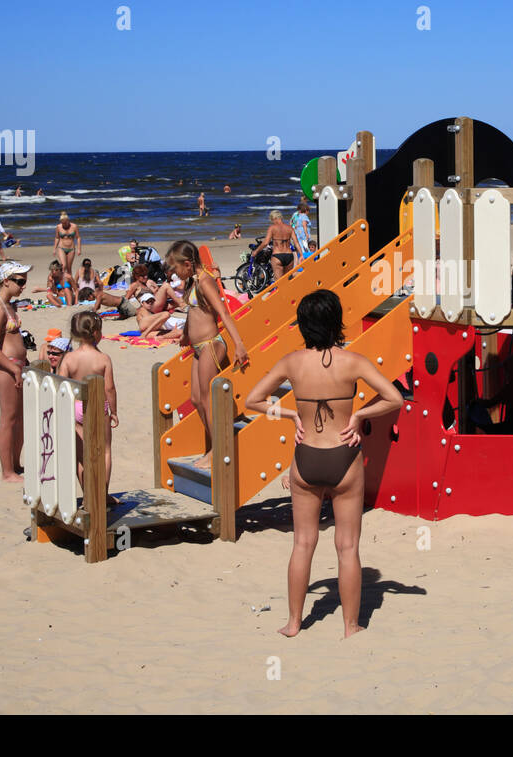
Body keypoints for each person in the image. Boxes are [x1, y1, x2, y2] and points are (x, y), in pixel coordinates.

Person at [243, 289, 404, 638]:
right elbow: (395, 399)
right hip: (344, 457)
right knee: (347, 547)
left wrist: (288, 414)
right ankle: (350, 626)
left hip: (306, 459)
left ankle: (293, 623)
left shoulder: (292, 362)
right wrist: (360, 414)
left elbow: (252, 401)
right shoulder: (353, 361)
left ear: (303, 324)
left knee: (303, 543)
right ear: (336, 322)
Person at [164, 240, 248, 468]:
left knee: (206, 399)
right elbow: (194, 312)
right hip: (198, 347)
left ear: (188, 264)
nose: (175, 274)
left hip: (212, 344)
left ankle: (217, 451)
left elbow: (224, 313)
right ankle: (213, 445)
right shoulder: (192, 282)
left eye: (177, 268)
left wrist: (238, 344)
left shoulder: (205, 282)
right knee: (195, 399)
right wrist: (184, 336)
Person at [57, 311, 119, 505]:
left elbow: (62, 386)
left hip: (76, 408)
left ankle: (87, 495)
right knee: (105, 452)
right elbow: (109, 388)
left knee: (82, 456)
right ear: (97, 332)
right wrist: (114, 411)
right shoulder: (103, 359)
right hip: (98, 407)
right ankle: (102, 494)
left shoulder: (68, 359)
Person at [0, 266, 31, 482]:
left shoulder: (9, 305)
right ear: (6, 281)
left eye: (24, 281)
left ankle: (15, 464)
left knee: (19, 420)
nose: (24, 286)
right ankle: (7, 472)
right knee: (8, 419)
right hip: (6, 368)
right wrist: (14, 368)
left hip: (17, 366)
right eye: (20, 281)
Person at [468, 352, 513, 433]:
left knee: (479, 428)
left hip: (510, 428)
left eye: (508, 369)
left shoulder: (510, 389)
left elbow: (489, 404)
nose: (506, 372)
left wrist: (475, 401)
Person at [255, 210, 296, 283]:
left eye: (272, 220)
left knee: (279, 282)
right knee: (288, 280)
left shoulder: (272, 228)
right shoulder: (289, 228)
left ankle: (282, 294)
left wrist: (256, 251)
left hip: (277, 256)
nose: (272, 222)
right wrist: (301, 255)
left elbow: (266, 242)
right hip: (289, 255)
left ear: (274, 218)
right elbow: (296, 243)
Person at [54, 213, 80, 278]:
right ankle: (60, 281)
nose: (64, 225)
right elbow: (57, 238)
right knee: (63, 266)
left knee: (69, 268)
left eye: (65, 223)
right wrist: (54, 249)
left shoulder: (74, 226)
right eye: (62, 223)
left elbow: (78, 237)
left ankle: (69, 284)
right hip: (61, 248)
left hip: (71, 249)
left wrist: (79, 249)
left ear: (68, 220)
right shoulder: (58, 227)